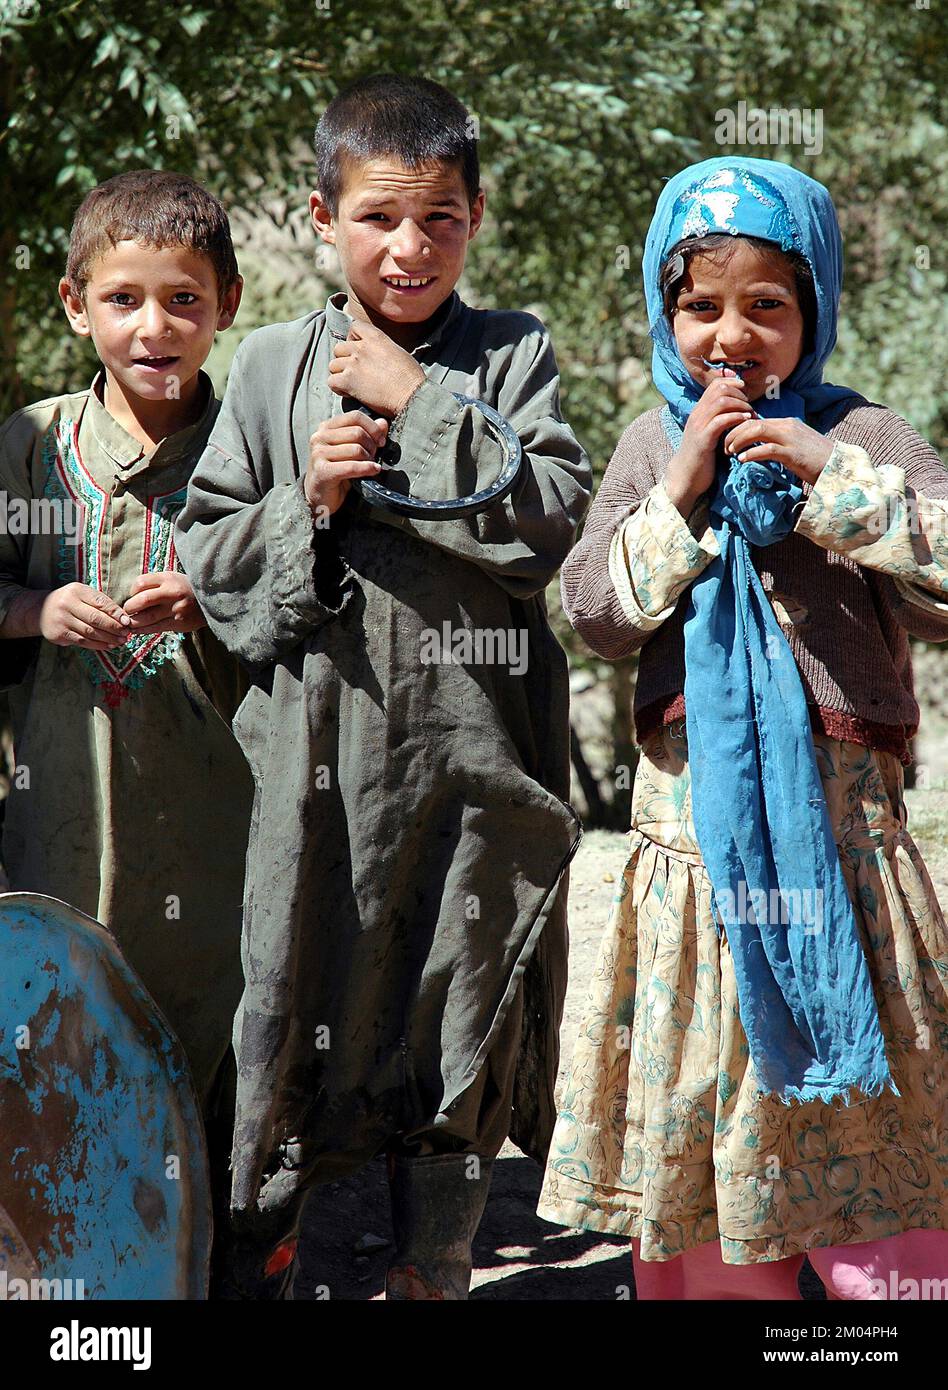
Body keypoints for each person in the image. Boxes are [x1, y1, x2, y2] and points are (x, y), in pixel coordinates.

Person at [175, 73, 591, 1300]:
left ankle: (435, 1266)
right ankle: (269, 1258)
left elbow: (548, 526)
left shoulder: (510, 355)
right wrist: (308, 502)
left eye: (441, 220)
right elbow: (212, 561)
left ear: (475, 216)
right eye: (378, 218)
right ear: (321, 214)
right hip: (312, 778)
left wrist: (420, 404)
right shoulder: (265, 368)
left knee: (455, 1023)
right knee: (292, 1003)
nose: (410, 249)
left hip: (476, 771)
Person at [537, 156, 948, 1300]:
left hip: (848, 860)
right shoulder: (645, 450)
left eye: (767, 305)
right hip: (693, 872)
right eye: (700, 305)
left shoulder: (864, 432)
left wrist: (836, 480)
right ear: (666, 316)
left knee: (876, 1140)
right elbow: (595, 615)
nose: (731, 335)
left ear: (812, 310)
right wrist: (675, 492)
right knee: (711, 1132)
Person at [0, 171, 255, 1279]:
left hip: (215, 851)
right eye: (123, 300)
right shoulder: (28, 446)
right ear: (73, 303)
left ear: (227, 303)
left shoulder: (251, 450)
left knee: (204, 1081)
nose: (154, 327)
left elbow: (309, 607)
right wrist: (33, 608)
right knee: (49, 1091)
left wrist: (216, 598)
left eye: (183, 300)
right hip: (49, 836)